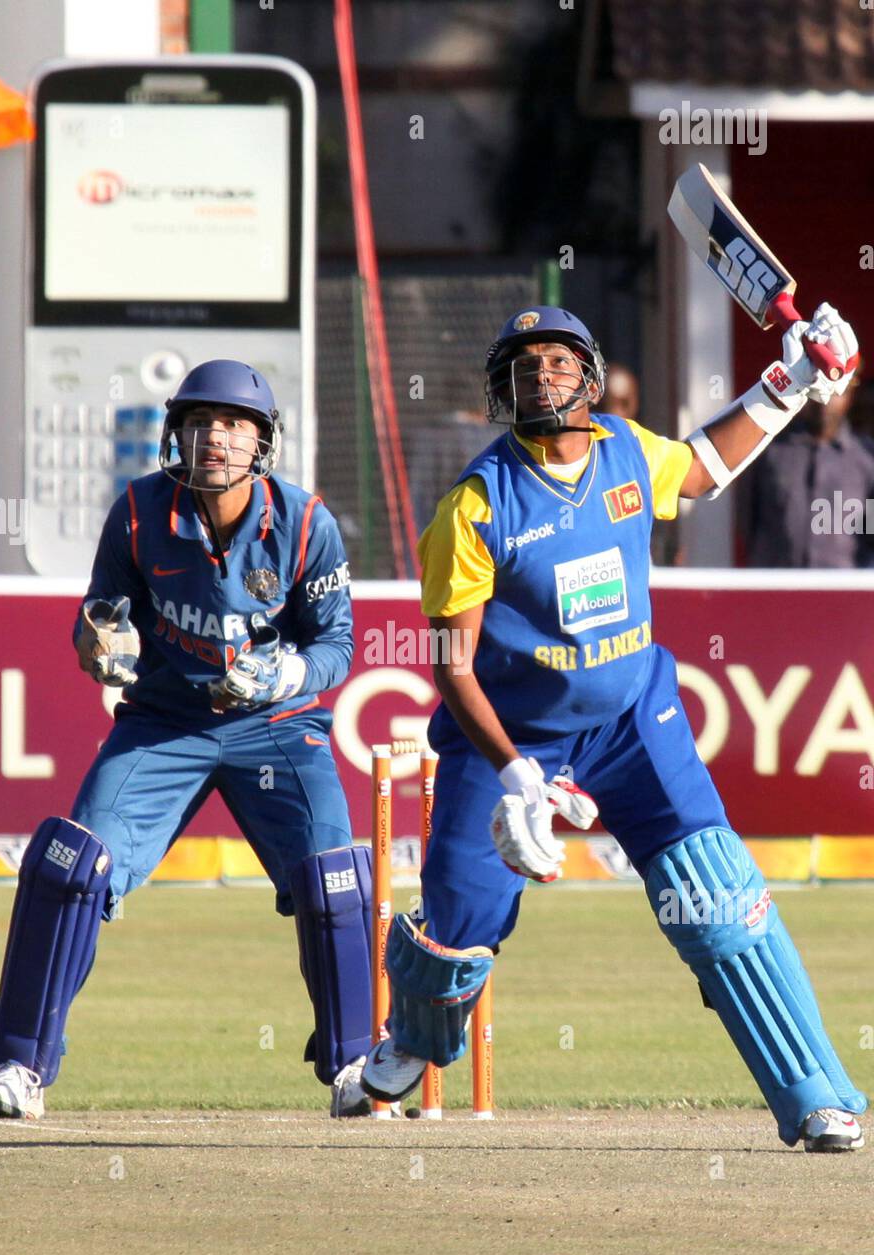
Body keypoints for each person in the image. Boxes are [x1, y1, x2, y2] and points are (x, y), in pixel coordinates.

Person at [362, 304, 867, 1153]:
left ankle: (817, 1095)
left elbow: (704, 467)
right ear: (503, 389)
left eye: (559, 361)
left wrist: (787, 383)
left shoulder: (628, 450)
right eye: (525, 366)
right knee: (458, 923)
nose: (542, 376)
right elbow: (452, 667)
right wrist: (518, 774)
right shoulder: (476, 506)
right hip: (513, 733)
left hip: (634, 717)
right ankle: (413, 1040)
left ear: (590, 378)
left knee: (718, 900)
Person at [0, 360, 374, 1122]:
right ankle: (19, 1066)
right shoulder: (135, 512)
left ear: (262, 442)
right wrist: (100, 643)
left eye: (233, 424)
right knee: (70, 865)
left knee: (333, 878)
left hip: (277, 728)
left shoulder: (306, 521)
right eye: (199, 422)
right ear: (175, 435)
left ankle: (357, 1065)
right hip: (164, 722)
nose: (214, 438)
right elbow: (100, 617)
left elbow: (337, 646)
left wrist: (283, 674)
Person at [747, 375, 874, 567]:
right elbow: (747, 518)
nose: (824, 403)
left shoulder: (866, 459)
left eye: (834, 394)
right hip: (777, 586)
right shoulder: (768, 452)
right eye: (817, 394)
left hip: (843, 588)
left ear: (849, 396)